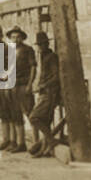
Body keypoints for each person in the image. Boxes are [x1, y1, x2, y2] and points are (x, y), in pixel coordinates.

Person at [28, 30, 61, 158]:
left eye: (43, 44)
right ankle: (44, 149)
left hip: (50, 93)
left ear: (47, 44)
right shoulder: (43, 56)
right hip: (44, 92)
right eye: (39, 45)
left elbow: (56, 76)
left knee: (34, 118)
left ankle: (51, 141)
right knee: (45, 121)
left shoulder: (51, 57)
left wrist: (43, 85)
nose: (41, 47)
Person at [6, 25, 36, 153]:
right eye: (13, 37)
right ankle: (21, 143)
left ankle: (36, 142)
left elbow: (33, 67)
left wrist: (30, 84)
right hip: (13, 85)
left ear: (22, 38)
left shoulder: (28, 50)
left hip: (24, 85)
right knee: (16, 115)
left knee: (30, 113)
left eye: (18, 37)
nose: (15, 39)